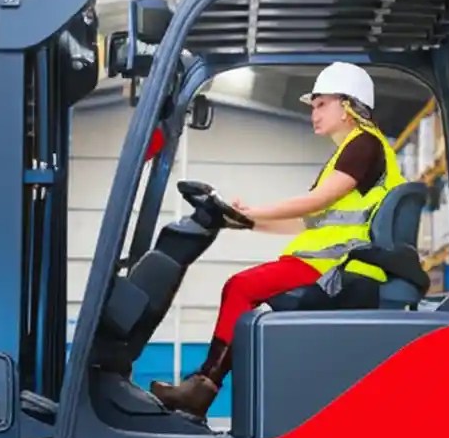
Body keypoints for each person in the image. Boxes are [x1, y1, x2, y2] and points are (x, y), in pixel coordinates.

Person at [150, 61, 406, 418]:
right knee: (243, 291)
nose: (313, 113)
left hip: (338, 265)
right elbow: (309, 222)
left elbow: (316, 202)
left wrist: (258, 210)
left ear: (347, 106)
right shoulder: (351, 151)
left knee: (240, 287)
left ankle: (203, 388)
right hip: (329, 261)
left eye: (321, 104)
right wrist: (246, 220)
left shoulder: (364, 145)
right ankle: (202, 386)